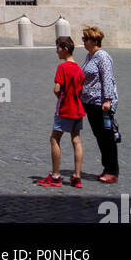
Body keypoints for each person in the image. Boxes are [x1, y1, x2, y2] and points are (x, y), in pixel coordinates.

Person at [36, 36, 85, 188]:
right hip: (78, 109)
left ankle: (56, 176)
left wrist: (59, 96)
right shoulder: (78, 68)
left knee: (54, 139)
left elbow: (57, 88)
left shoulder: (62, 68)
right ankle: (77, 176)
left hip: (65, 108)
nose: (56, 52)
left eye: (57, 48)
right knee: (76, 140)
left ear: (64, 49)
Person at [80, 25, 119, 183]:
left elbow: (107, 78)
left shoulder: (102, 56)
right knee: (100, 136)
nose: (83, 41)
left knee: (107, 137)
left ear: (94, 40)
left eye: (85, 38)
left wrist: (107, 100)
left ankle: (112, 171)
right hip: (89, 103)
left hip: (101, 103)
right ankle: (106, 168)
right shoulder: (90, 56)